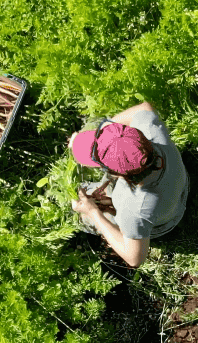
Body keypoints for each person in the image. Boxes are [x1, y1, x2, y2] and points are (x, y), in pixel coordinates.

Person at [68, 101, 188, 269]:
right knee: (92, 129)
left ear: (118, 174)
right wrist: (112, 135)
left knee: (79, 214)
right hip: (176, 183)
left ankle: (88, 215)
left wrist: (94, 212)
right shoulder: (152, 131)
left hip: (167, 218)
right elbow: (145, 107)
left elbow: (134, 259)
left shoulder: (134, 210)